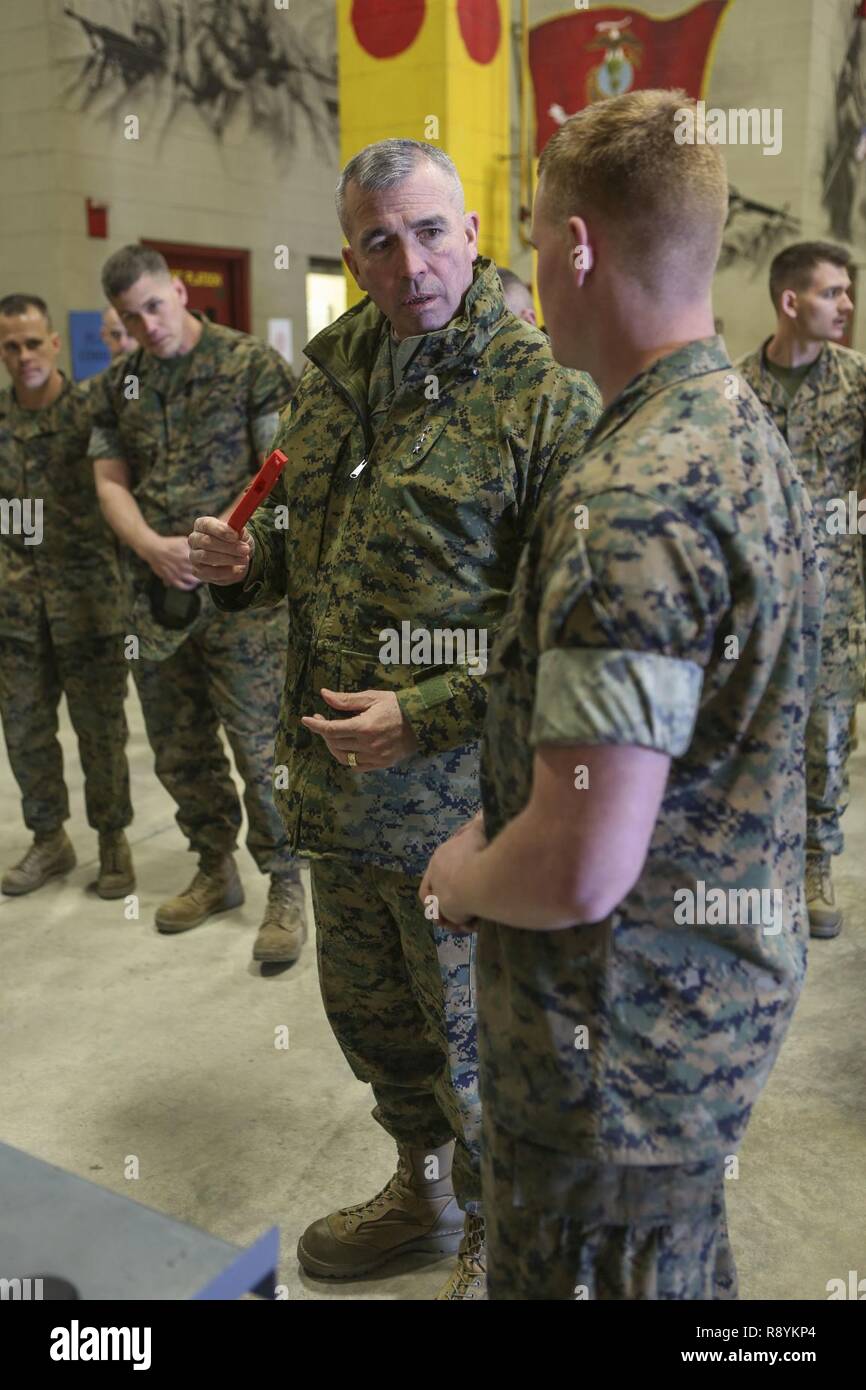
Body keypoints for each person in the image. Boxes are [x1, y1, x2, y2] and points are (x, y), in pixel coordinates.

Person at [421, 90, 822, 1301]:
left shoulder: (633, 498)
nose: (528, 267)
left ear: (579, 246)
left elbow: (578, 864)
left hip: (616, 1047)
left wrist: (461, 877)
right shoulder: (736, 426)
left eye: (533, 240)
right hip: (700, 1007)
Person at [188, 138, 600, 1299]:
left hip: (463, 806)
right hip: (334, 793)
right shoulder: (328, 379)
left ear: (474, 234)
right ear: (352, 257)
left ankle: (504, 1231)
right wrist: (238, 561)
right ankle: (418, 1190)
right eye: (379, 239)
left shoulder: (543, 392)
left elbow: (568, 619)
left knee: (480, 1046)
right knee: (379, 1028)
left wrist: (424, 712)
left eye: (429, 230)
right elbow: (297, 554)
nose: (409, 259)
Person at [89, 246, 305, 964]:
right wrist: (152, 545)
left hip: (242, 597)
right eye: (129, 316)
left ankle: (283, 883)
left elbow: (281, 474)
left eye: (154, 305)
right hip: (158, 599)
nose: (146, 325)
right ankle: (215, 869)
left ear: (179, 292)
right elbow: (110, 480)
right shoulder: (117, 386)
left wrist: (220, 544)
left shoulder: (250, 366)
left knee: (259, 744)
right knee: (179, 748)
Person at [739, 242, 866, 939]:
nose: (847, 304)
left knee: (825, 739)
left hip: (835, 601)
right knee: (753, 734)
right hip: (755, 604)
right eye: (833, 292)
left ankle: (818, 864)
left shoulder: (859, 383)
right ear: (791, 302)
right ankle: (764, 866)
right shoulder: (733, 389)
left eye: (847, 292)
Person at [0, 294, 133, 898]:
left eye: (33, 342)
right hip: (17, 613)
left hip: (89, 606)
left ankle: (112, 841)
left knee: (100, 732)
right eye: (10, 346)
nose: (23, 355)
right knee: (26, 732)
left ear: (54, 344)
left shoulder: (92, 414)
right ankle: (49, 839)